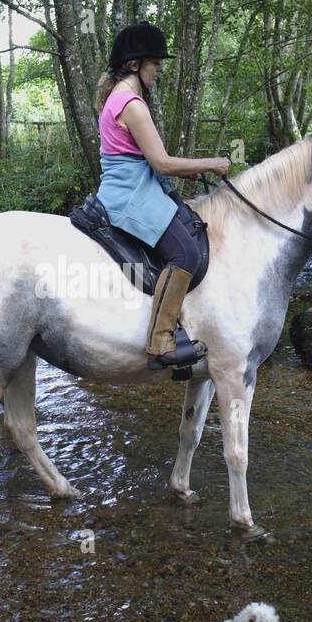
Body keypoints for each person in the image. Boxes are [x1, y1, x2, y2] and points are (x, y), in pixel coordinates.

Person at [96, 23, 230, 368]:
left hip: (135, 186)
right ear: (134, 64)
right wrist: (212, 164)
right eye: (155, 63)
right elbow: (162, 162)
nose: (159, 69)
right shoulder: (132, 103)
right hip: (131, 194)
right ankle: (160, 341)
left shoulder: (120, 97)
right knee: (186, 253)